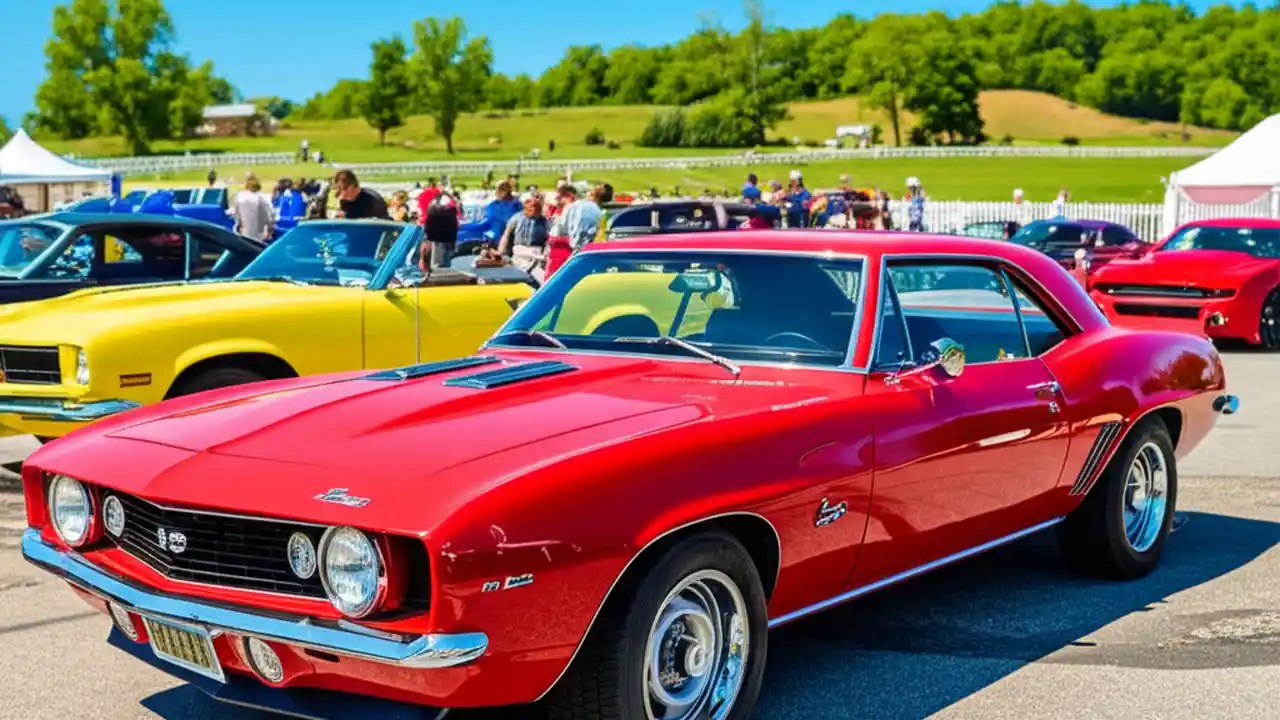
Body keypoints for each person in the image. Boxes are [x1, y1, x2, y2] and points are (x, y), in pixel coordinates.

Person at [498, 196, 550, 279]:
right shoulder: (517, 218)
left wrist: (546, 254)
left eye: (536, 210)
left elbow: (549, 240)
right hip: (519, 251)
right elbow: (506, 235)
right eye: (530, 209)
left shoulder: (544, 221)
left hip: (535, 252)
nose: (533, 212)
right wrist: (500, 252)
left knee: (538, 276)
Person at [419, 189, 460, 271]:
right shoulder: (446, 202)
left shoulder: (434, 205)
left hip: (438, 239)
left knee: (438, 266)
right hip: (444, 237)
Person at [563, 184, 605, 252]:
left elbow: (565, 225)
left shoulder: (572, 206)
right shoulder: (596, 208)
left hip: (576, 246)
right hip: (590, 246)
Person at [232, 173, 274, 241]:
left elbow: (237, 218)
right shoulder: (264, 198)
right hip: (261, 237)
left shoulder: (239, 197)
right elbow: (270, 219)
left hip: (245, 236)